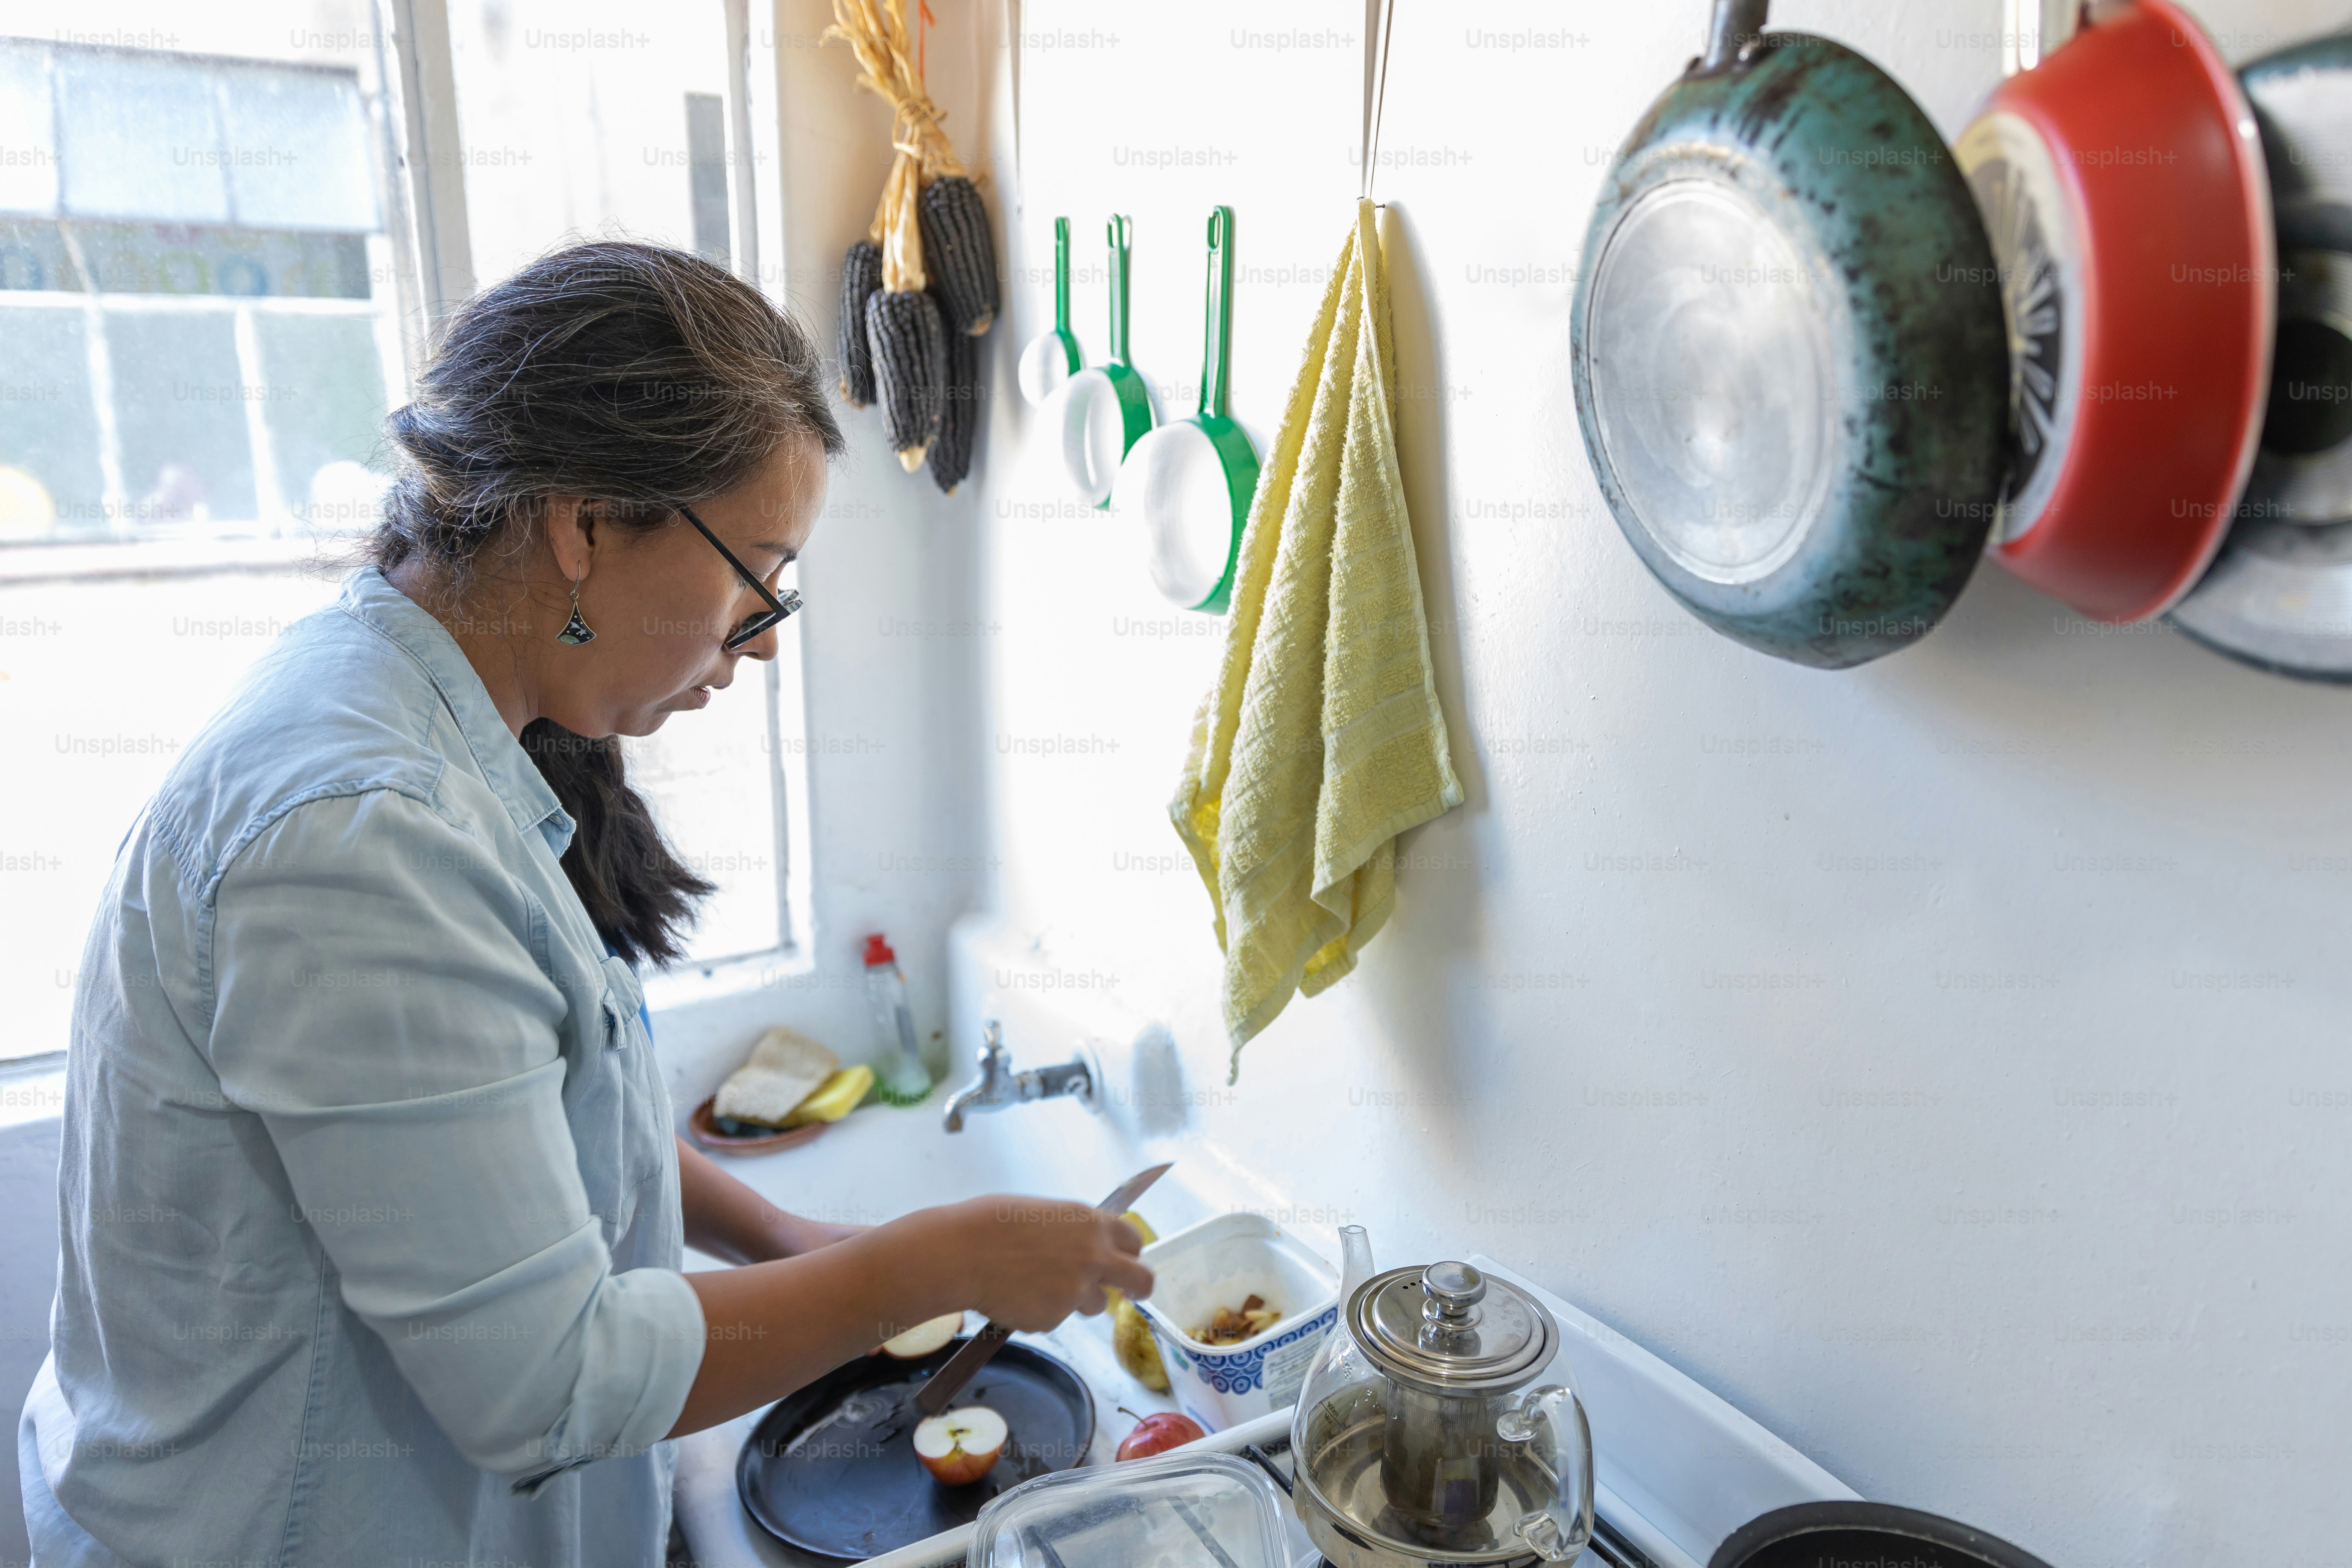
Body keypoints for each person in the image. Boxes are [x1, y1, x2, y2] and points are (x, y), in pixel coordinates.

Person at [18, 241, 1152, 1567]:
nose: (767, 632)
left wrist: (771, 1227)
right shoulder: (359, 840)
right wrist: (936, 1265)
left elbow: (498, 1129)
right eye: (756, 569)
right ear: (585, 525)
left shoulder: (418, 712)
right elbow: (548, 1378)